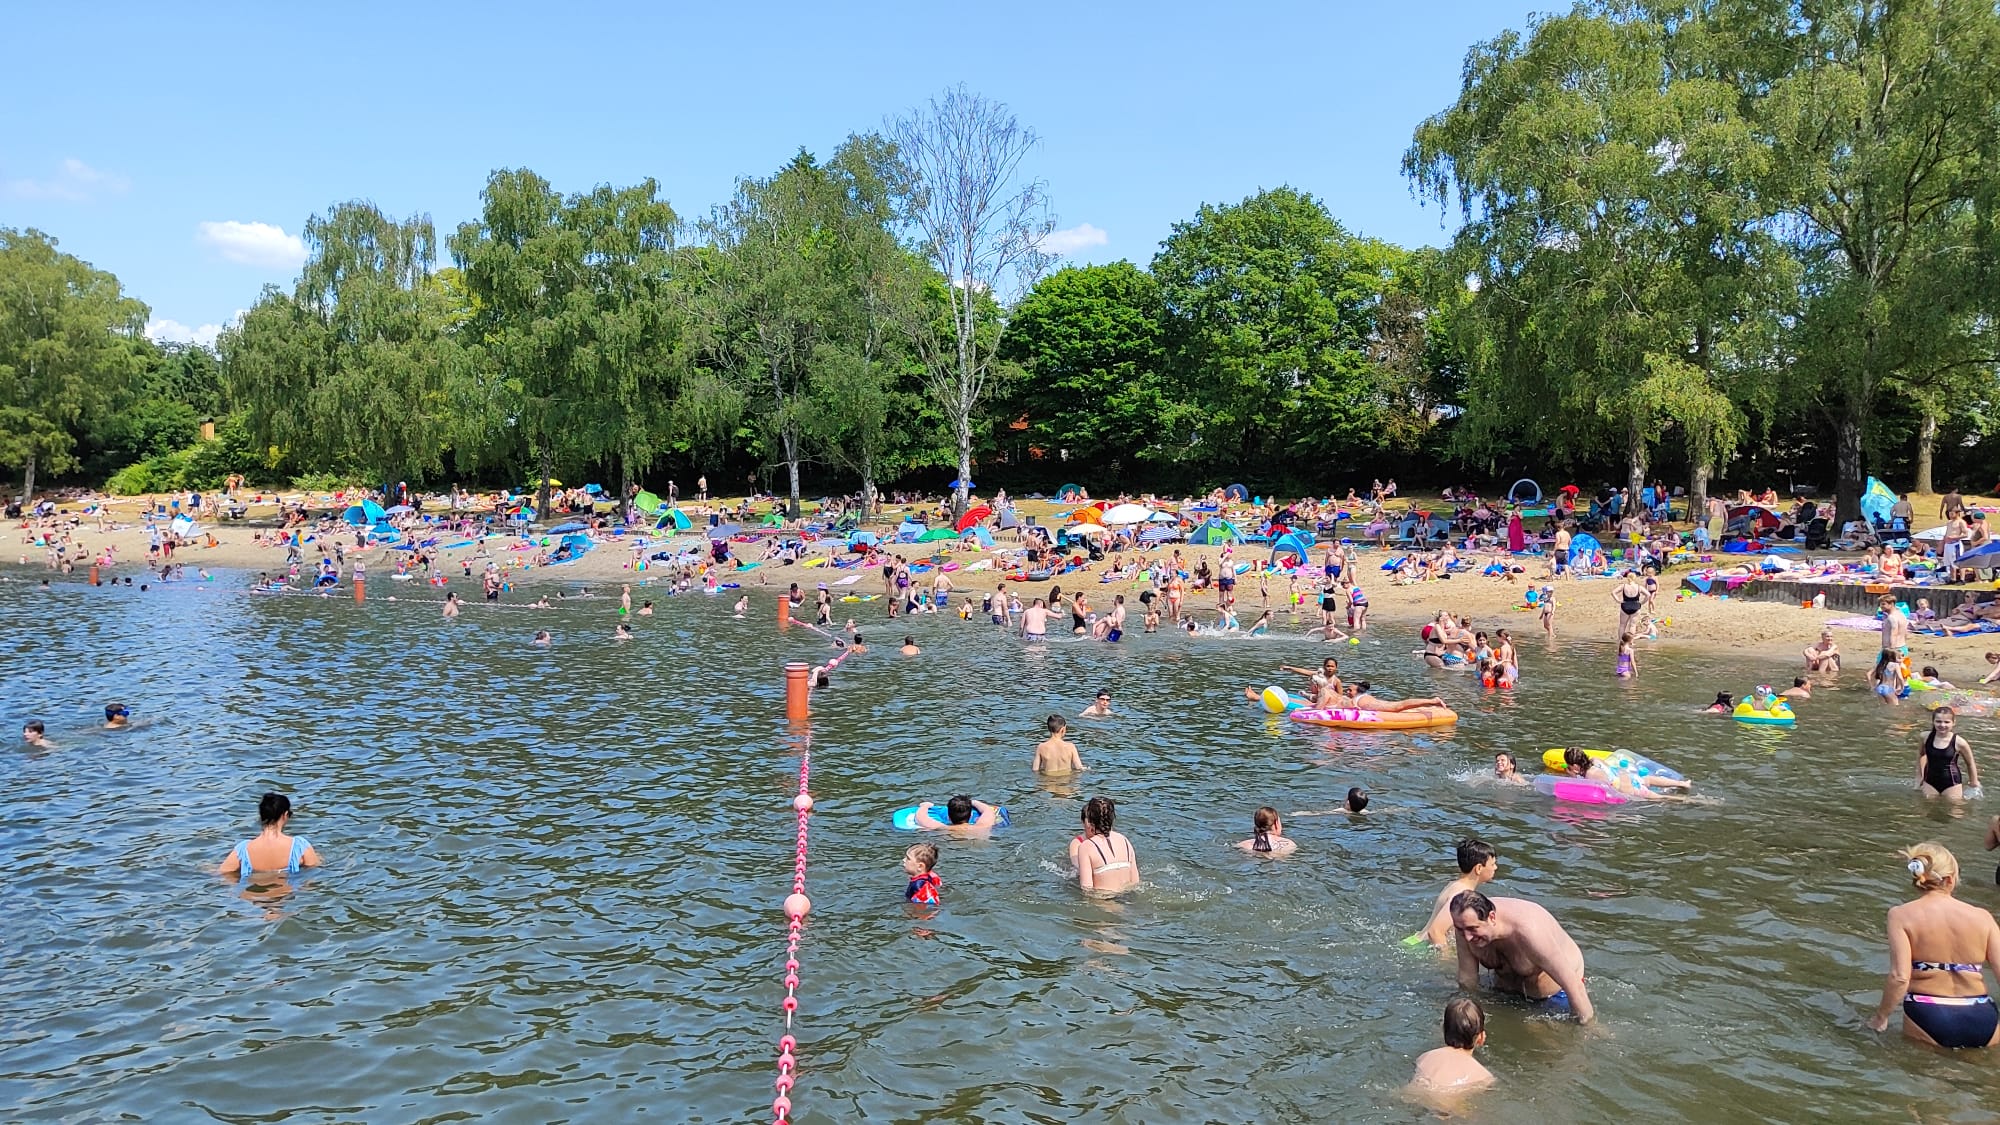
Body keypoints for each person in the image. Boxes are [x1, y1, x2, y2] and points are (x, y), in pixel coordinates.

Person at [1869, 843, 2000, 1047]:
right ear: (1950, 879)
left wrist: (1881, 1017)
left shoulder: (1900, 915)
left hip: (1929, 1012)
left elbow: (1900, 977)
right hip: (1982, 1014)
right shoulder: (1983, 917)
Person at [1450, 890, 1596, 1024]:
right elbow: (1467, 980)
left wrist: (1587, 1028)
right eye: (1460, 929)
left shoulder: (1530, 932)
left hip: (1554, 997)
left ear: (1491, 917)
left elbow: (1574, 987)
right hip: (1504, 994)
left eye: (1473, 929)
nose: (1467, 937)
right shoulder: (1465, 923)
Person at [217, 792, 322, 879]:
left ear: (261, 816)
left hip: (254, 895)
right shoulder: (299, 845)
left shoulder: (242, 849)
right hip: (287, 894)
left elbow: (223, 873)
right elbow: (314, 873)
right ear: (285, 815)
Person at [1417, 839, 1499, 948]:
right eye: (1492, 864)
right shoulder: (1462, 895)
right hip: (1421, 947)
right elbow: (1435, 932)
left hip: (1415, 940)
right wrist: (1447, 957)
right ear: (1479, 868)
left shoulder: (1455, 885)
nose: (1495, 867)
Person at [1408, 998, 1495, 1093]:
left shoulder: (1424, 1057)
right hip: (1445, 1099)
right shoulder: (1483, 1077)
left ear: (1444, 1030)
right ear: (1481, 1037)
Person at [1071, 796, 1139, 894]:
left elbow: (1086, 888)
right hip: (1127, 896)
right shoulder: (1125, 841)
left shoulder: (1086, 847)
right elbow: (1135, 882)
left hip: (1103, 899)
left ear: (1090, 821)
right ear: (1112, 818)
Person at [1918, 707, 1981, 800]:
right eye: (1938, 721)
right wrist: (1919, 777)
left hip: (1952, 783)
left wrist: (1974, 782)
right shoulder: (1925, 737)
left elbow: (1970, 763)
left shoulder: (1959, 742)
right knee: (1927, 806)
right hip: (1929, 781)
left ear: (1953, 723)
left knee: (1954, 808)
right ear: (1933, 721)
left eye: (1947, 722)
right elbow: (1921, 755)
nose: (1942, 725)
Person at [911, 794, 1004, 837]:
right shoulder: (983, 826)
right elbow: (987, 810)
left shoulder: (944, 829)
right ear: (971, 815)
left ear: (948, 817)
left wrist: (925, 806)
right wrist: (972, 802)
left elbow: (921, 818)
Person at [1613, 571, 1646, 639]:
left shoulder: (1623, 586)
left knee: (1622, 625)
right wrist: (1642, 602)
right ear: (1634, 578)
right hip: (1635, 606)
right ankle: (1630, 641)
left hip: (1625, 606)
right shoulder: (1638, 587)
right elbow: (1648, 595)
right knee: (1632, 625)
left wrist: (1618, 600)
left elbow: (1613, 592)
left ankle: (1620, 641)